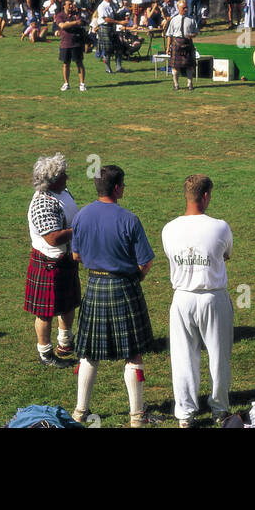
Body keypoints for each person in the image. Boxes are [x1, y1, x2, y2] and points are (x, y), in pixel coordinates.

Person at [71, 164, 157, 427]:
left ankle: (80, 412)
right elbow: (146, 262)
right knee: (133, 353)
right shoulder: (129, 219)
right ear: (117, 188)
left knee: (88, 353)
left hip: (95, 285)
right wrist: (135, 279)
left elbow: (75, 255)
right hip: (124, 288)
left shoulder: (81, 217)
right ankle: (136, 416)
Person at [161, 174, 234, 427]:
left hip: (182, 297)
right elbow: (226, 254)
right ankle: (219, 408)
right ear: (205, 196)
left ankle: (185, 413)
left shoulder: (169, 229)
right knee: (219, 355)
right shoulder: (220, 226)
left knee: (183, 357)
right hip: (213, 296)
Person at [24, 153, 79, 368]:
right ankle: (45, 353)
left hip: (65, 260)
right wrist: (81, 229)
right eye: (63, 174)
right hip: (49, 262)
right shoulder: (42, 203)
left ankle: (65, 343)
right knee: (45, 312)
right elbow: (53, 238)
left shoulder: (62, 193)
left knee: (68, 304)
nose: (67, 177)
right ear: (52, 180)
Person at [165, 0, 200, 92]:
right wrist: (168, 48)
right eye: (183, 8)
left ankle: (190, 84)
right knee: (175, 66)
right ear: (178, 8)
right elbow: (169, 35)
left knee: (190, 65)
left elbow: (196, 32)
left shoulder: (191, 19)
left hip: (188, 43)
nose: (186, 9)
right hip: (176, 43)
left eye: (186, 7)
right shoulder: (173, 20)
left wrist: (192, 35)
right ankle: (176, 85)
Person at [55, 0, 88, 93]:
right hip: (65, 43)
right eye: (69, 4)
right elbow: (62, 26)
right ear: (64, 6)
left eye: (71, 4)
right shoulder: (60, 15)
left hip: (76, 43)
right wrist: (74, 23)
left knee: (79, 63)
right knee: (66, 64)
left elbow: (81, 22)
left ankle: (82, 84)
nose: (71, 6)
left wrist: (74, 19)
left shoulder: (76, 14)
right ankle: (66, 83)